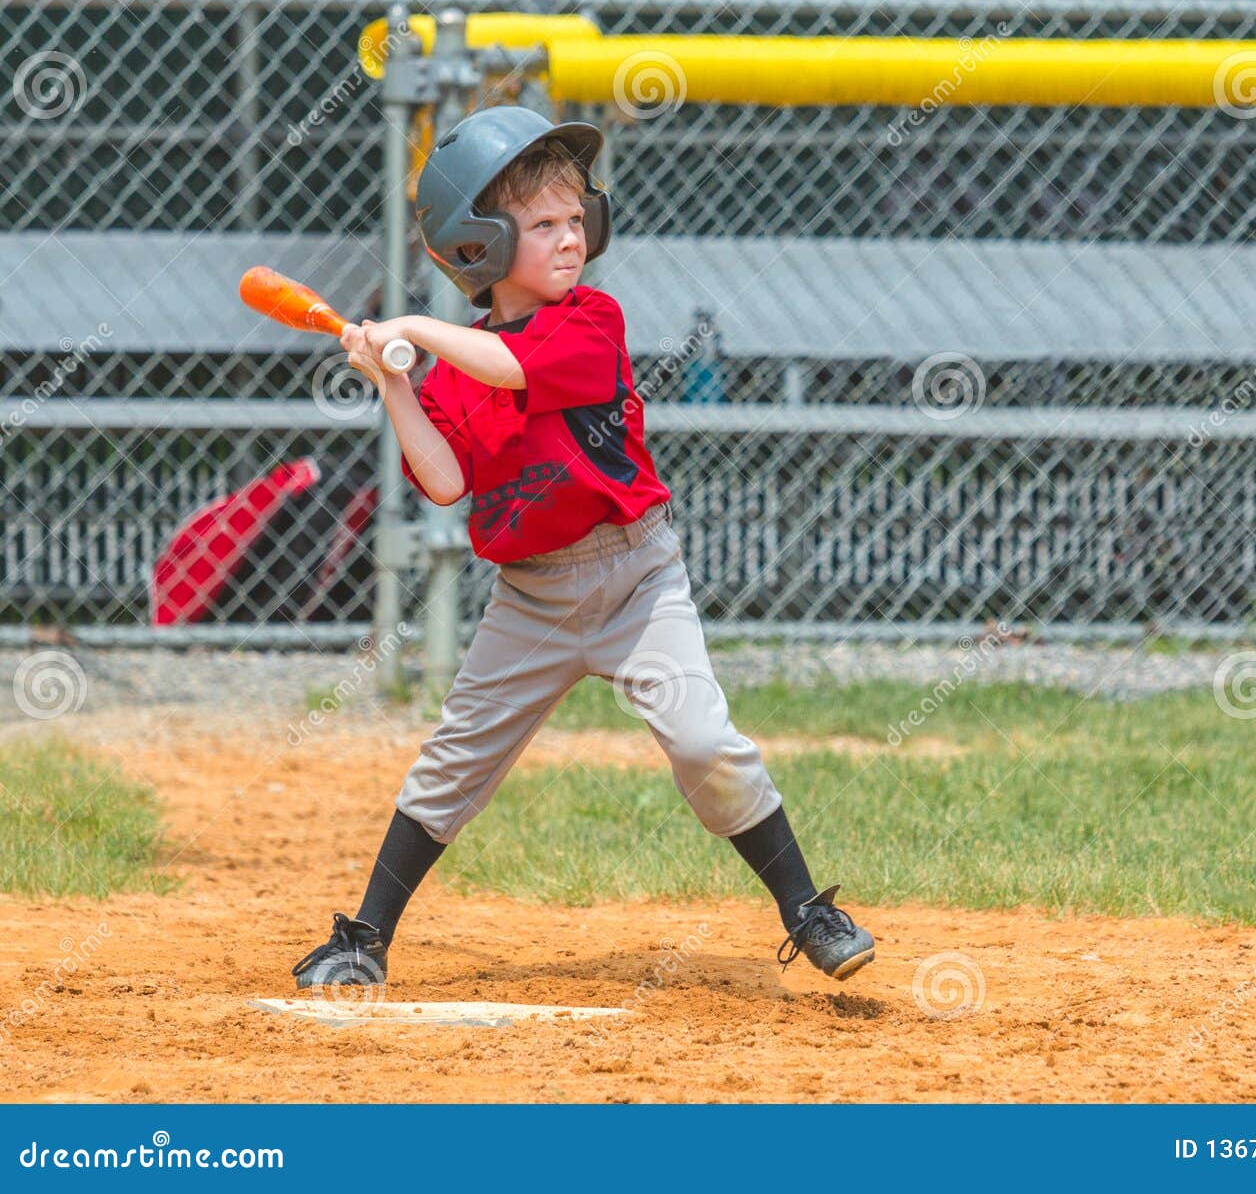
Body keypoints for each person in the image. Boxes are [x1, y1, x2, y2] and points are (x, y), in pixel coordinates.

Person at [291, 106, 874, 991]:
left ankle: (807, 910)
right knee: (455, 760)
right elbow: (443, 480)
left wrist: (413, 326)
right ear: (479, 245)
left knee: (703, 742)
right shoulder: (449, 372)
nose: (570, 237)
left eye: (576, 218)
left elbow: (512, 366)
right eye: (542, 225)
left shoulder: (591, 319)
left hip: (637, 575)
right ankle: (365, 936)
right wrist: (394, 382)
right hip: (530, 595)